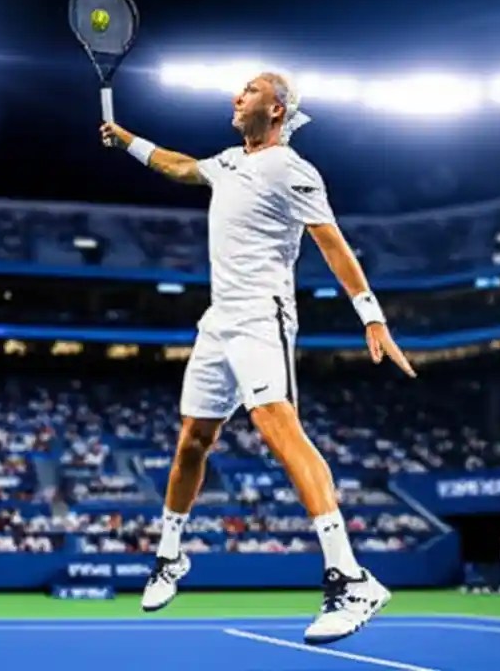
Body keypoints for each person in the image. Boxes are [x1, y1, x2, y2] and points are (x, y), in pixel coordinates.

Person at [100, 71, 416, 645]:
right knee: (193, 439)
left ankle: (351, 579)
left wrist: (371, 314)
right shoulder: (227, 162)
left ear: (276, 109)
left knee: (277, 428)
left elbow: (333, 244)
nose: (235, 96)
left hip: (261, 315)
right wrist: (127, 141)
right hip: (218, 320)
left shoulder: (292, 170)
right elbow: (177, 165)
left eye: (248, 91)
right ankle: (170, 556)